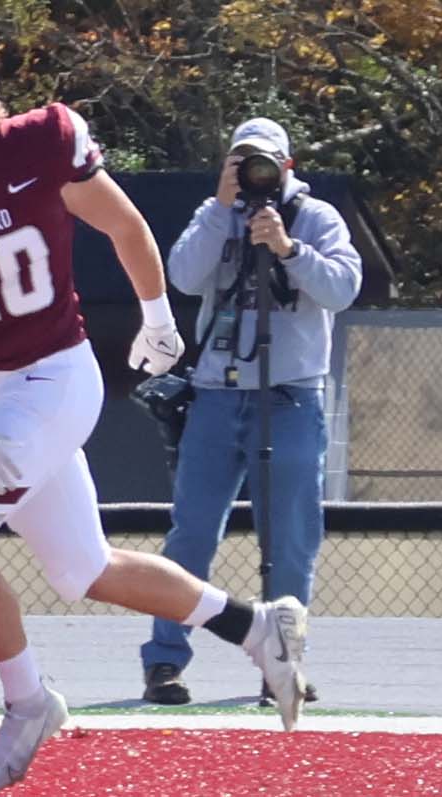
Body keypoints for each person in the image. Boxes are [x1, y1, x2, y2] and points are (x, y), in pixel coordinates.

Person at [0, 25, 310, 796]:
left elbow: (125, 225)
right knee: (82, 567)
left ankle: (29, 700)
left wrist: (159, 319)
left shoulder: (42, 144)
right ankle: (258, 626)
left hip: (57, 378)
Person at [138, 119, 362, 706]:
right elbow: (183, 276)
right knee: (191, 534)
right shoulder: (215, 213)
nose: (254, 176)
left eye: (263, 164)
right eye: (242, 163)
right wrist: (221, 205)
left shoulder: (317, 219)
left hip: (290, 397)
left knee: (289, 539)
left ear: (288, 168)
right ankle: (164, 662)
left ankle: (280, 667)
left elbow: (343, 289)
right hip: (217, 394)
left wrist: (289, 249)